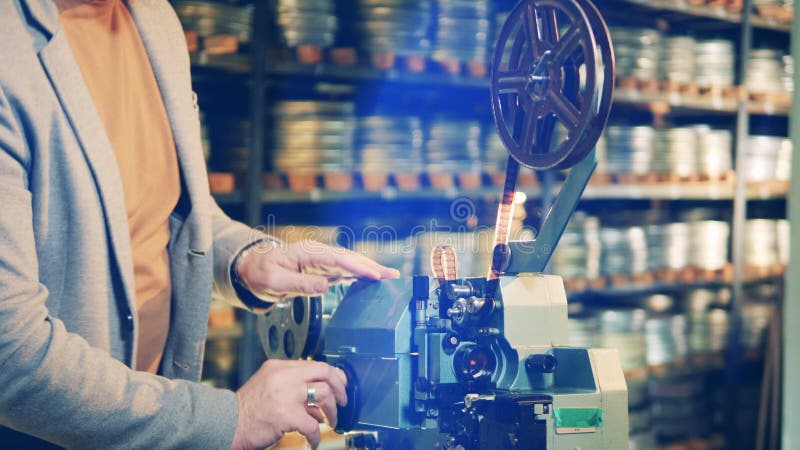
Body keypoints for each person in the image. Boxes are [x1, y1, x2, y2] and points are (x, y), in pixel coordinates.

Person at [0, 0, 399, 448]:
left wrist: (244, 258)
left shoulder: (152, 20)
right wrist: (231, 418)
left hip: (155, 423)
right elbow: (10, 353)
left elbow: (166, 202)